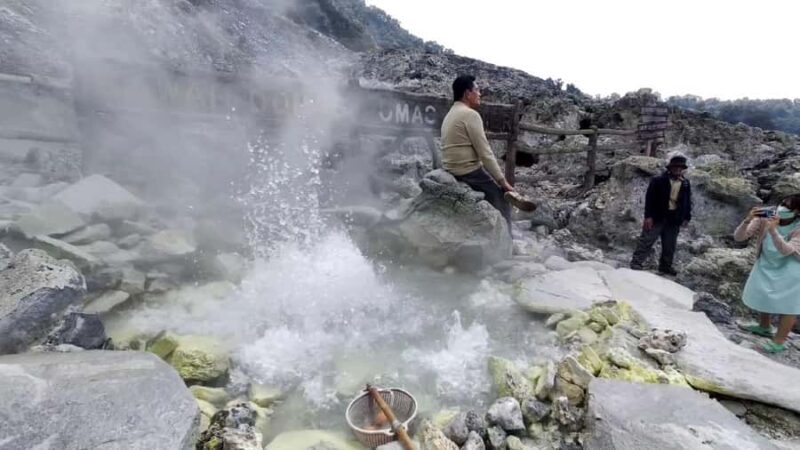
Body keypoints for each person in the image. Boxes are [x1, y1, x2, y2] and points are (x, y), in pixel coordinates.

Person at [440, 75, 533, 231]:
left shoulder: (450, 114)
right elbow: (485, 153)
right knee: (500, 200)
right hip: (467, 171)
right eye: (477, 89)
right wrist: (503, 182)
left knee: (494, 186)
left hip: (451, 167)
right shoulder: (470, 115)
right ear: (467, 93)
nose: (480, 94)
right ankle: (507, 245)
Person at [734, 194, 800, 353]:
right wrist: (747, 220)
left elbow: (787, 250)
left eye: (788, 206)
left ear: (797, 211)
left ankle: (779, 341)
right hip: (767, 260)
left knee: (789, 305)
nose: (782, 208)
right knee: (763, 291)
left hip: (792, 265)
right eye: (782, 203)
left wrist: (773, 230)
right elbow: (739, 237)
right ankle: (764, 326)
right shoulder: (767, 215)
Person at [629, 152, 692, 275]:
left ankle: (665, 266)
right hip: (657, 216)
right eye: (676, 167)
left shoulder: (685, 183)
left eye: (681, 168)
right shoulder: (658, 180)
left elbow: (687, 201)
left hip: (674, 218)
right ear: (671, 168)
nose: (678, 169)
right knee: (647, 240)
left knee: (670, 244)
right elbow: (650, 199)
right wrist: (648, 217)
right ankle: (636, 263)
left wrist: (686, 217)